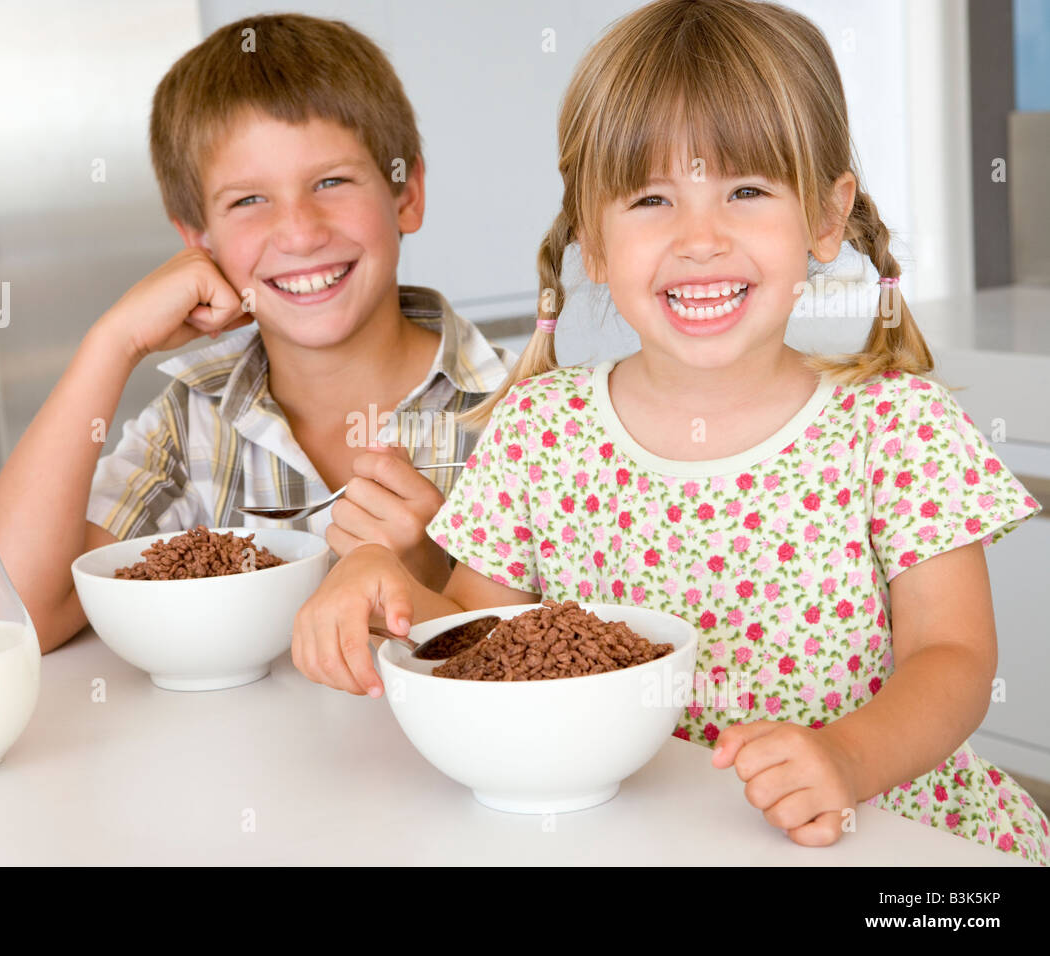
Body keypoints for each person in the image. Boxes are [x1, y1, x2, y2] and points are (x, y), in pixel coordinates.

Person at [291, 0, 1048, 864]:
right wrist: (376, 585)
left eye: (747, 191)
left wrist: (847, 756)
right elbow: (479, 641)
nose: (699, 238)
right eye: (651, 199)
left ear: (827, 219)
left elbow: (953, 660)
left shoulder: (896, 428)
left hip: (885, 837)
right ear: (594, 242)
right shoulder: (542, 431)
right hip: (641, 838)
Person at [0, 14, 515, 654]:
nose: (299, 231)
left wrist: (438, 577)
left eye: (331, 181)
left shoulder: (523, 410)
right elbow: (9, 618)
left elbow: (573, 664)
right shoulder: (190, 423)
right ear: (196, 239)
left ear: (407, 195)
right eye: (248, 201)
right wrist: (112, 343)